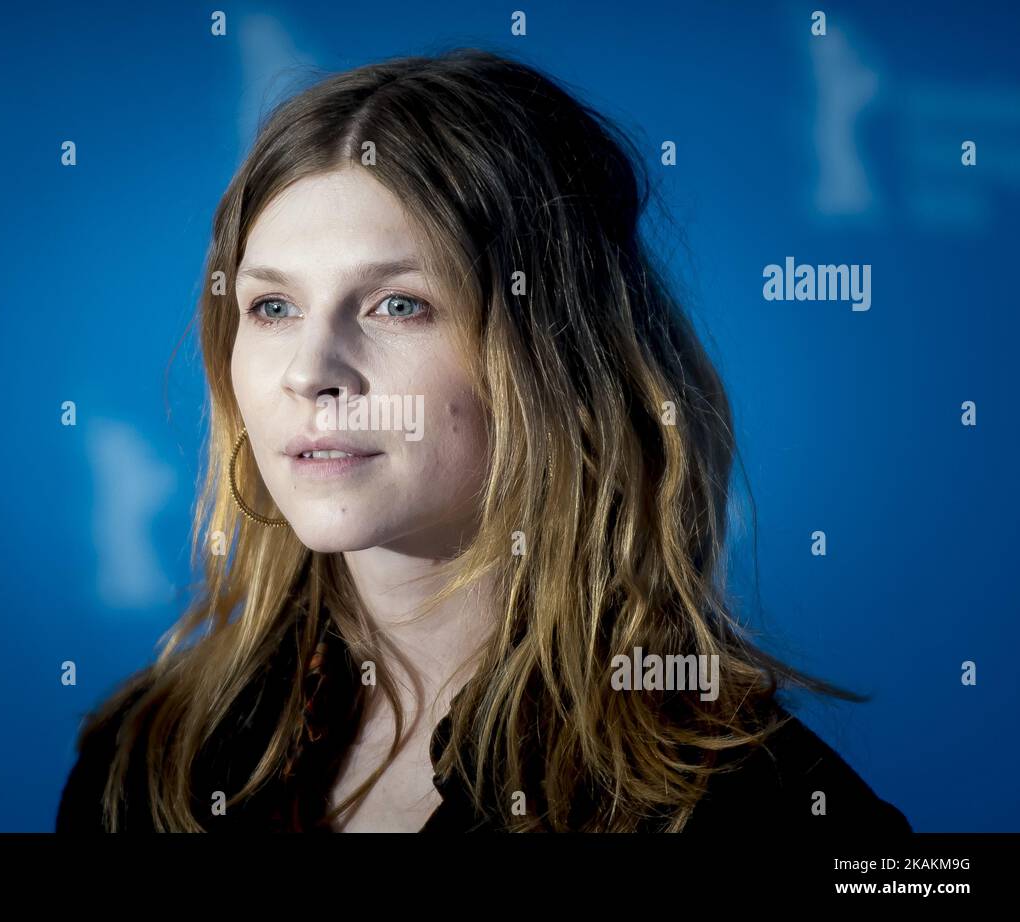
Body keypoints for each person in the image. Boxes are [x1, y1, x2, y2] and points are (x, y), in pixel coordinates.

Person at [56, 48, 911, 833]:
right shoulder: (149, 758)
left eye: (399, 305)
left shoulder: (753, 805)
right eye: (272, 307)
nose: (311, 372)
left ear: (556, 359)